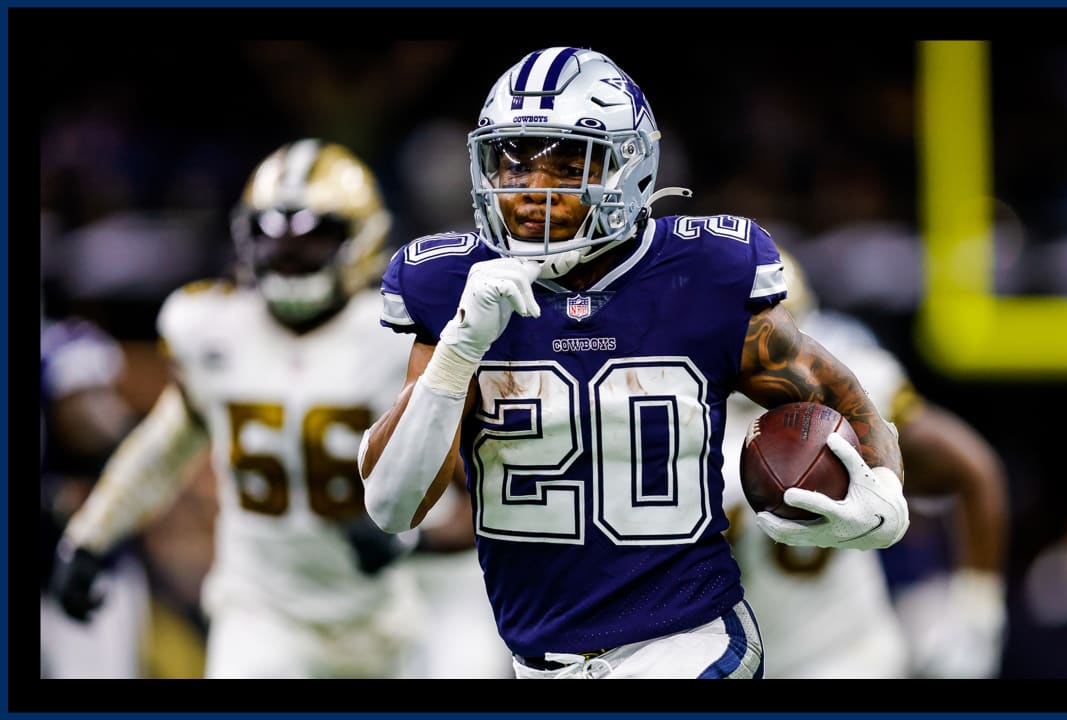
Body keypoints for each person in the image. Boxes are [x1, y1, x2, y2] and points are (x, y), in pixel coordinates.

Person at [358, 46, 907, 680]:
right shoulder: (448, 283)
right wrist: (458, 349)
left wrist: (886, 490)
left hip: (691, 636)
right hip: (540, 661)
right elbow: (393, 505)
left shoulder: (703, 273)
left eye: (569, 165)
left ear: (631, 168)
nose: (534, 192)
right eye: (513, 162)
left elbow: (843, 396)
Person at [50, 139, 452, 678]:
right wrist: (91, 535)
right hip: (261, 615)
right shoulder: (214, 328)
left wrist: (409, 534)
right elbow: (167, 444)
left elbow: (452, 474)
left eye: (311, 240)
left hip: (381, 620)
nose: (286, 256)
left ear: (362, 238)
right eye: (271, 236)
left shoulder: (395, 338)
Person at [721, 247, 1009, 678]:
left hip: (848, 658)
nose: (761, 349)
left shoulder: (855, 389)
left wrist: (977, 614)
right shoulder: (670, 410)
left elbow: (971, 468)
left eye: (773, 331)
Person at [40, 308, 151, 678]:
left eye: (102, 390)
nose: (100, 408)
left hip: (96, 584)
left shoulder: (121, 445)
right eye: (83, 394)